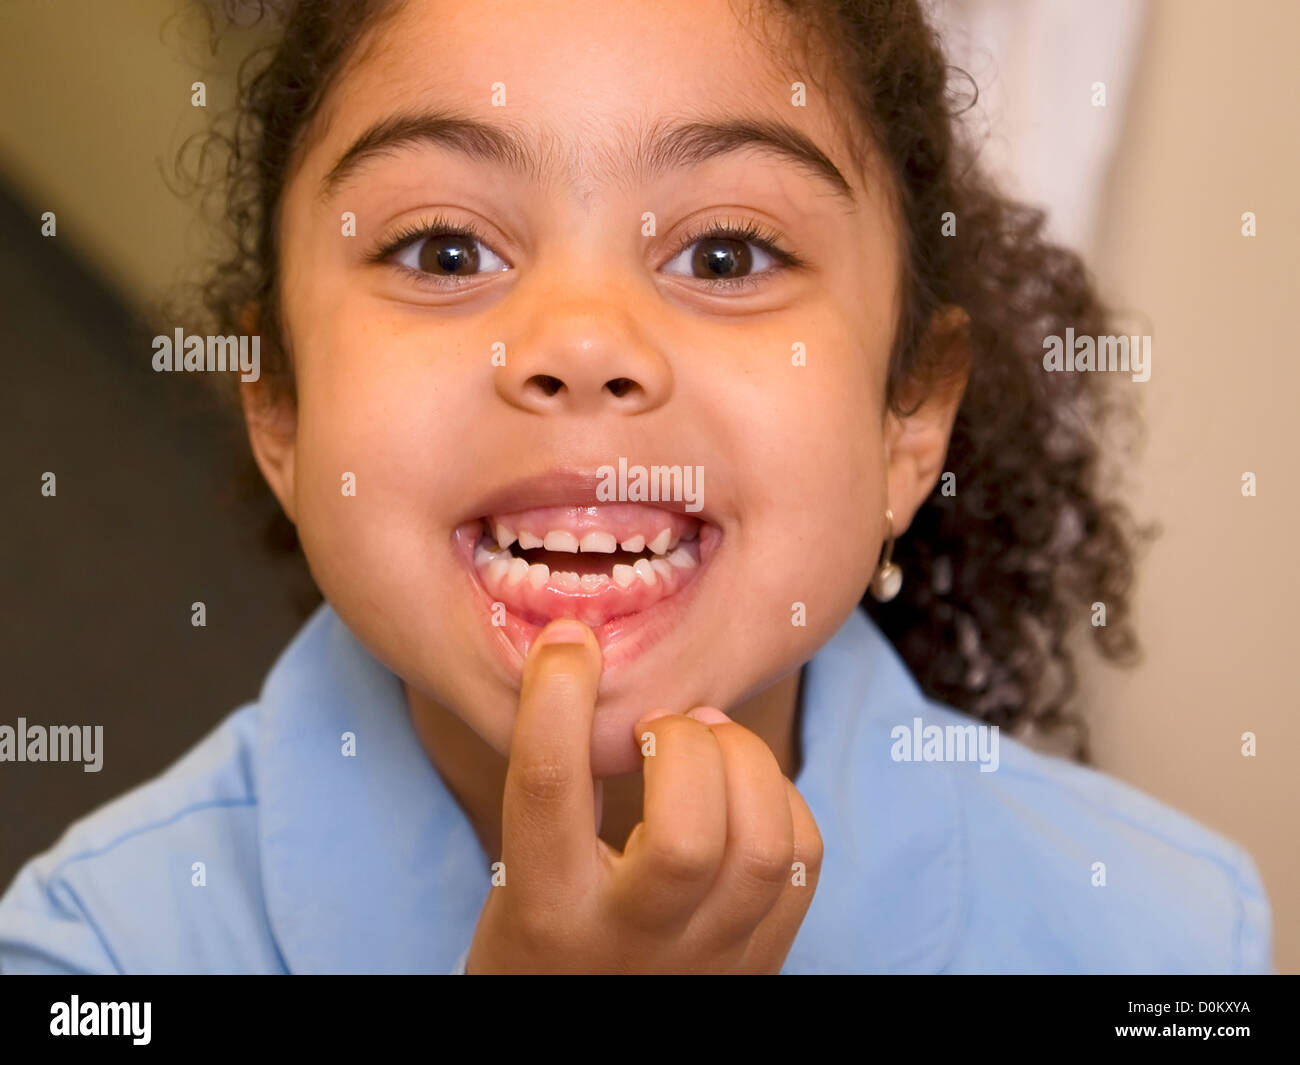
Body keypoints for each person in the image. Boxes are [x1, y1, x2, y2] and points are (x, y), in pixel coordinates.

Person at [0, 0, 1272, 974]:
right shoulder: (90, 951)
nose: (583, 343)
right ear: (277, 405)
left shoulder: (1166, 937)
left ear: (906, 420)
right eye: (445, 249)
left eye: (725, 251)